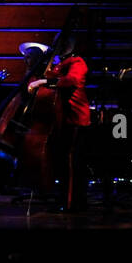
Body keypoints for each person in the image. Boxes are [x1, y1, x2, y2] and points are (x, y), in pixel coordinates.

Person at [34, 38, 90, 212]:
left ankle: (73, 203)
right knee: (63, 163)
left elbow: (71, 80)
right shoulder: (62, 63)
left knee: (72, 164)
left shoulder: (78, 62)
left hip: (76, 119)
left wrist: (44, 82)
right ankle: (64, 198)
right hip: (62, 119)